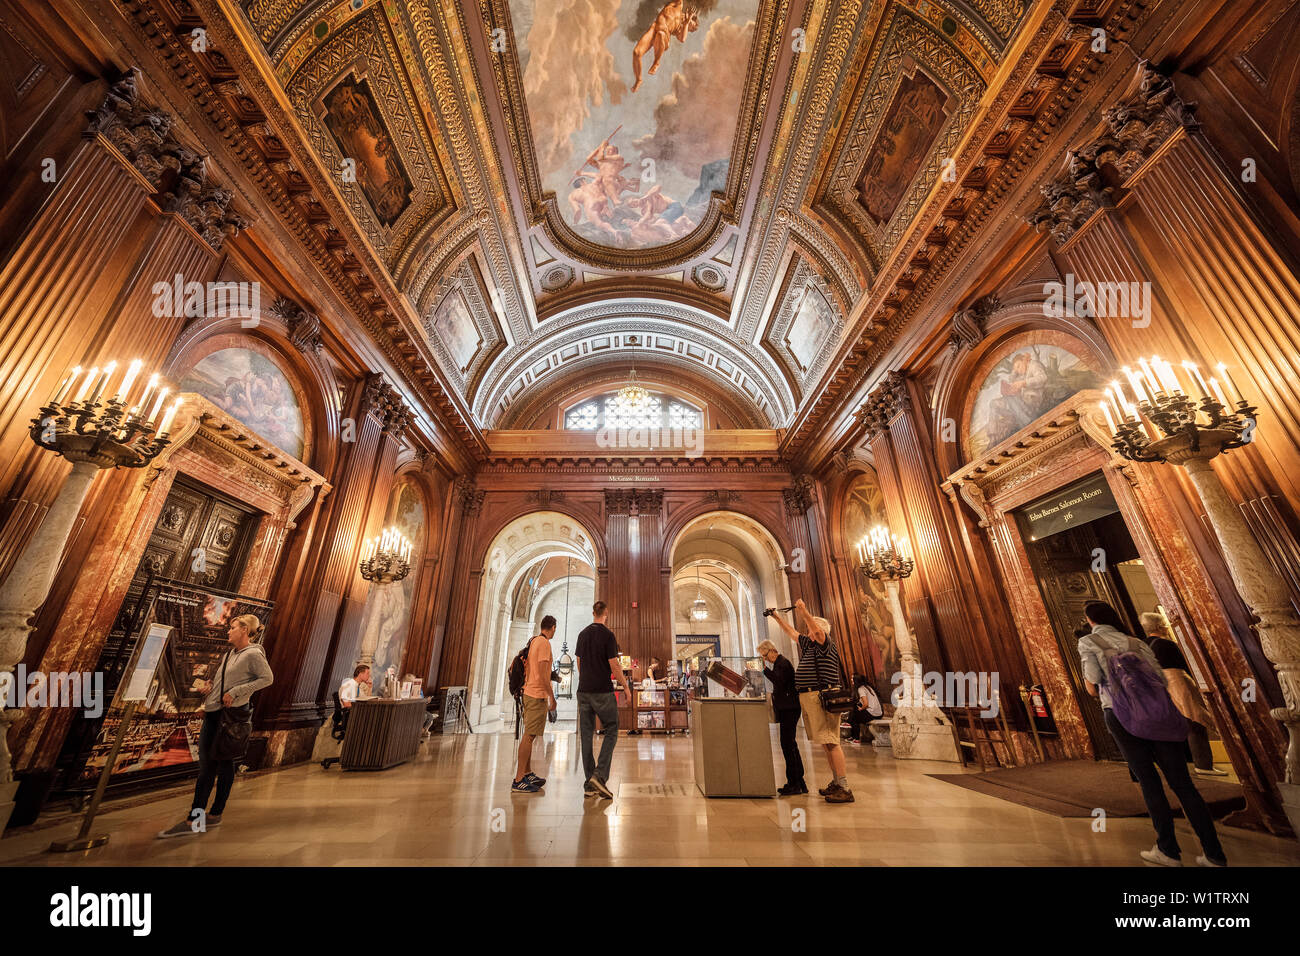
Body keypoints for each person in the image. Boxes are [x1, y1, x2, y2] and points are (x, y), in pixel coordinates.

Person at [1078, 600, 1227, 867]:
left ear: (1090, 620)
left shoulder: (1090, 642)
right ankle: (1214, 854)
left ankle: (1168, 851)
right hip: (1158, 714)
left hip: (1120, 714)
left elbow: (1092, 686)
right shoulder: (1138, 643)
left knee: (1149, 782)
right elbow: (1159, 679)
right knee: (1183, 784)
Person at [158, 614, 273, 838]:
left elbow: (267, 678)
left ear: (244, 630)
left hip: (229, 715)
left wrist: (235, 692)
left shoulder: (253, 654)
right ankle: (214, 815)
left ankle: (195, 820)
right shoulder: (231, 653)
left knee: (210, 766)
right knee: (222, 763)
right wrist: (211, 688)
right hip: (215, 711)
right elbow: (226, 682)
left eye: (232, 627)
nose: (228, 631)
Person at [771, 599, 853, 803]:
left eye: (811, 631)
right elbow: (792, 633)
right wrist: (776, 617)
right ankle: (836, 782)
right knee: (826, 743)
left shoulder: (826, 644)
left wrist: (804, 612)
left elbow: (816, 631)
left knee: (832, 741)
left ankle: (844, 786)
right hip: (810, 697)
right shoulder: (809, 646)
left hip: (821, 696)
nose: (808, 634)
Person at [1140, 612, 1225, 776]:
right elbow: (1187, 664)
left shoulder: (1144, 645)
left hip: (1160, 686)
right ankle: (1203, 764)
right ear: (1160, 626)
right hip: (1178, 682)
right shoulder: (1167, 644)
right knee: (1196, 721)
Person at [575, 601, 629, 798]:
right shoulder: (608, 635)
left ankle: (590, 783)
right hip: (602, 691)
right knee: (612, 728)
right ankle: (599, 776)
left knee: (587, 735)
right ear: (606, 613)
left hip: (584, 690)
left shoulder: (582, 634)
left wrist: (586, 679)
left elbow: (579, 663)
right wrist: (626, 687)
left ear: (593, 613)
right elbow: (614, 665)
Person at [513, 616, 557, 793]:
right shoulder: (545, 644)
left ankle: (527, 772)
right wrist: (551, 697)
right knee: (529, 736)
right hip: (536, 694)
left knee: (529, 735)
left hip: (529, 691)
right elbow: (543, 674)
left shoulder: (534, 641)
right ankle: (518, 779)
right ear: (553, 628)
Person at [758, 639, 805, 795]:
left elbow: (779, 680)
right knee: (790, 744)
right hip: (787, 707)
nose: (765, 658)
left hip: (789, 708)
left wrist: (764, 670)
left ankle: (794, 783)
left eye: (765, 655)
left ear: (771, 650)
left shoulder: (782, 663)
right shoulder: (779, 663)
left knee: (787, 744)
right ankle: (799, 781)